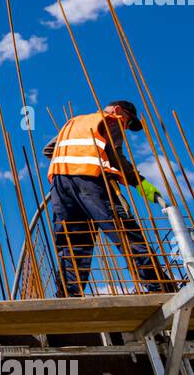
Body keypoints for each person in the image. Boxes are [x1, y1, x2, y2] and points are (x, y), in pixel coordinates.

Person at [43, 100, 173, 296]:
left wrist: (71, 159)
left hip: (61, 186)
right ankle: (159, 286)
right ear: (119, 110)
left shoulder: (73, 123)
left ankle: (70, 295)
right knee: (125, 232)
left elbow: (48, 150)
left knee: (74, 242)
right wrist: (139, 182)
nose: (126, 128)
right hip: (92, 181)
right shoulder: (111, 121)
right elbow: (116, 157)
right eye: (128, 122)